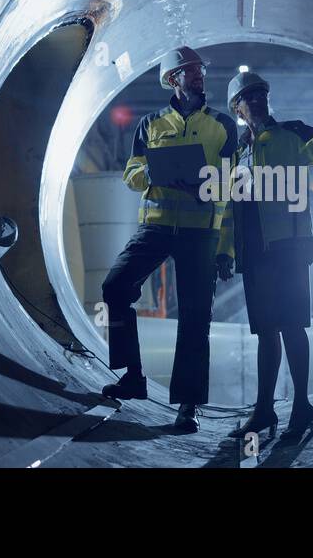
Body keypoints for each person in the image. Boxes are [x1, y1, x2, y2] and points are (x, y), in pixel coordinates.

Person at [100, 46, 238, 433]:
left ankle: (188, 406)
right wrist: (156, 175)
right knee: (115, 287)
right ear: (173, 79)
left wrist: (225, 247)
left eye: (201, 71)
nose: (199, 76)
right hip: (156, 227)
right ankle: (133, 376)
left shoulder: (224, 126)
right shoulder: (149, 124)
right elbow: (131, 174)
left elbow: (230, 187)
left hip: (201, 234)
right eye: (191, 71)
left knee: (196, 317)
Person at [216, 71, 313, 441]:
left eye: (261, 94)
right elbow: (231, 207)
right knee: (266, 334)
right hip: (255, 253)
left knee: (292, 327)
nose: (257, 100)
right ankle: (264, 411)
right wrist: (224, 251)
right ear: (238, 109)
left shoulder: (291, 134)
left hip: (289, 248)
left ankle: (301, 406)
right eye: (249, 97)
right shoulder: (237, 155)